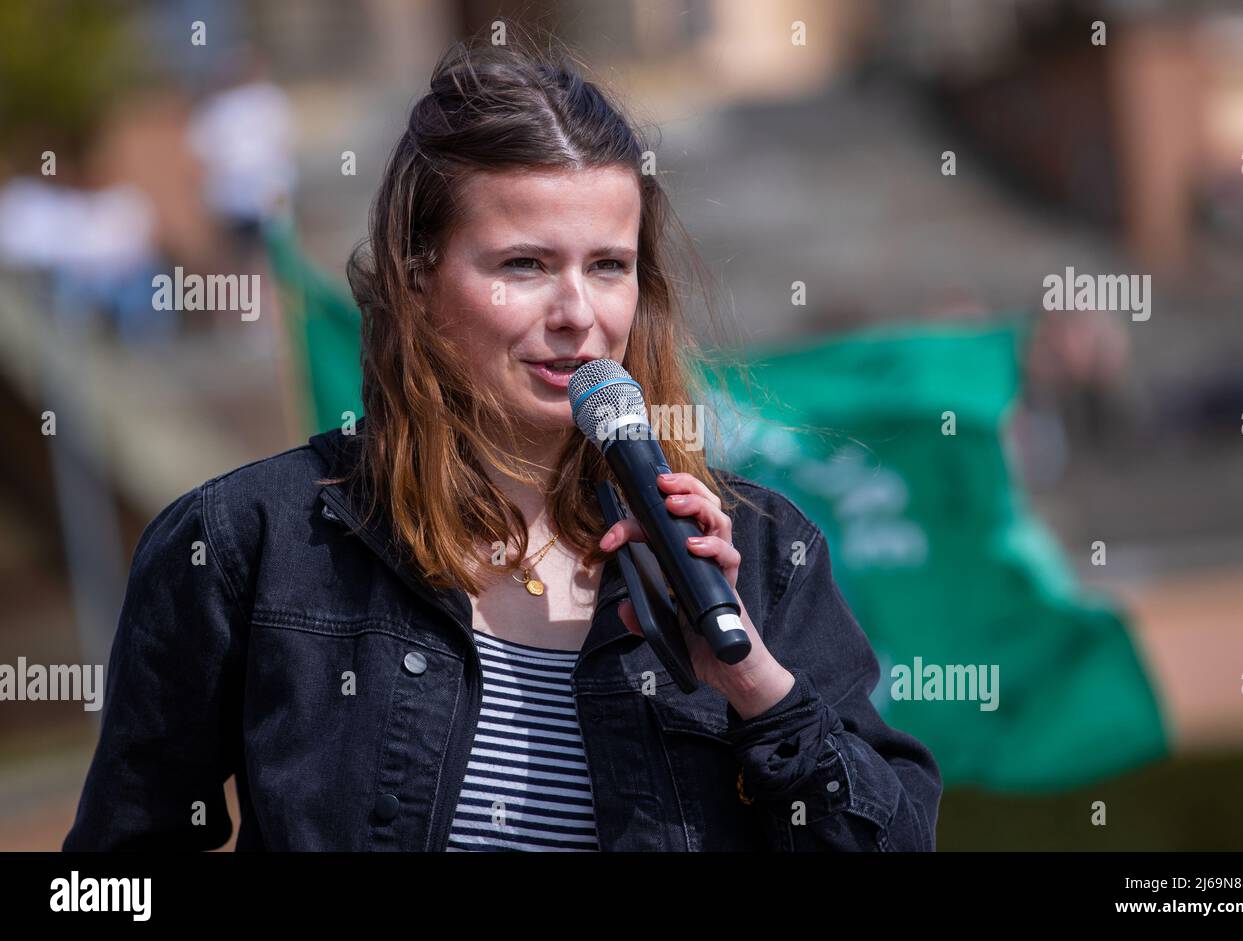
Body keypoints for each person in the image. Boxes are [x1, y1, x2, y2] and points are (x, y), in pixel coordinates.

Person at [63, 32, 941, 852]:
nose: (578, 316)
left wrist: (756, 687)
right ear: (417, 276)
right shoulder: (249, 540)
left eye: (609, 266)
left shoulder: (757, 552)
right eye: (523, 265)